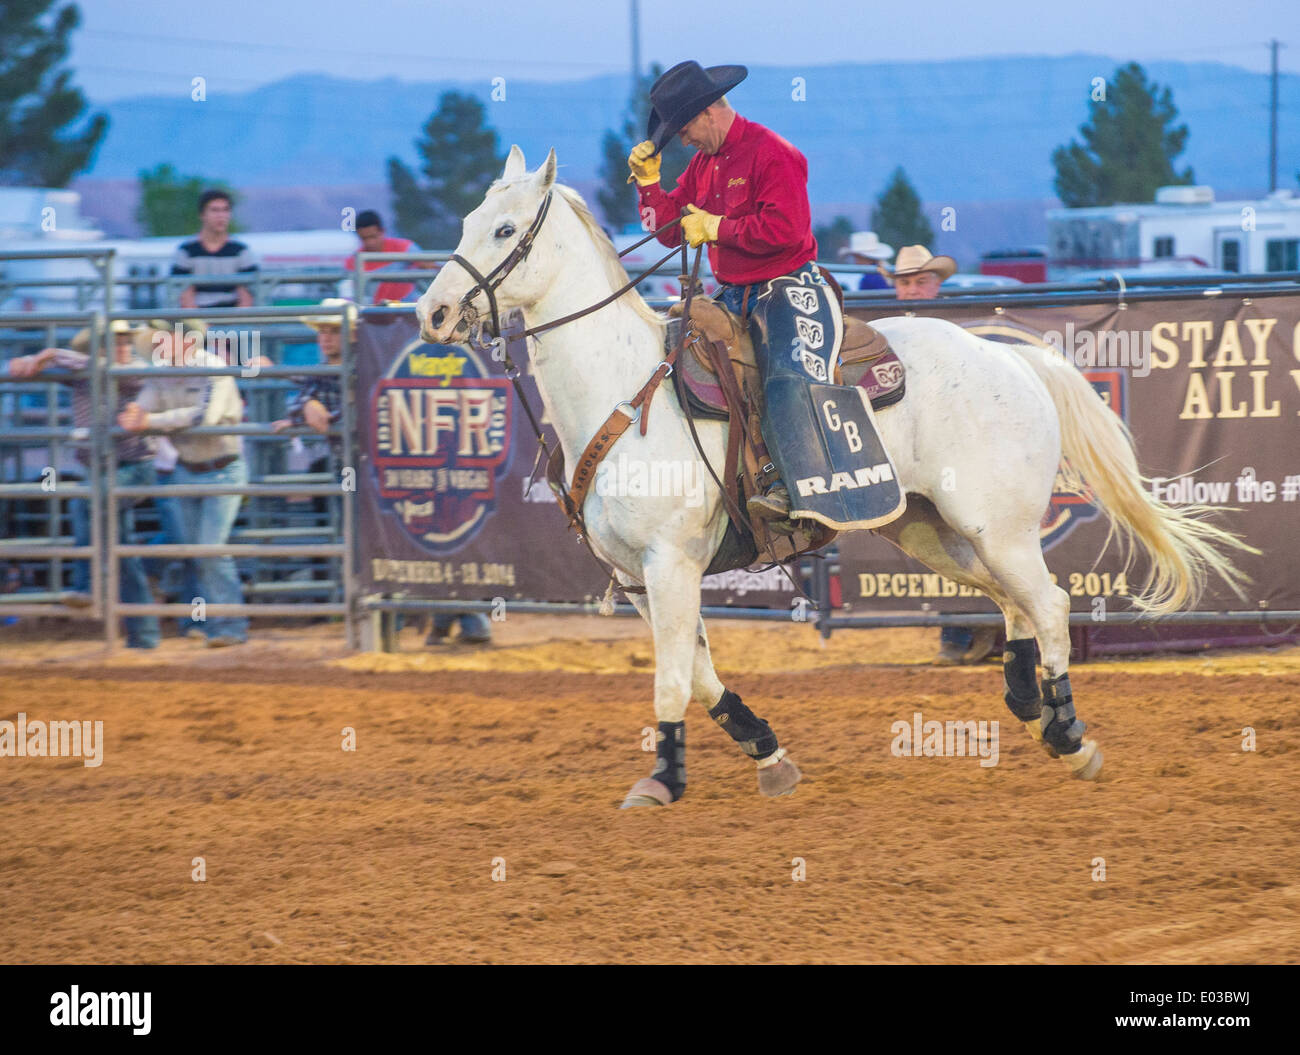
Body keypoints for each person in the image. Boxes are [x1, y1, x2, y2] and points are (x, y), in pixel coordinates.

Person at [628, 60, 823, 530]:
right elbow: (668, 233)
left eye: (686, 130)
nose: (685, 141)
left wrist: (717, 227)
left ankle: (796, 485)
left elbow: (786, 230)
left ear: (710, 113)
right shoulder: (703, 164)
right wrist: (651, 186)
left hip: (787, 286)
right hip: (733, 292)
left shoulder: (773, 153)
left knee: (784, 376)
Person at [6, 321, 161, 648]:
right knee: (124, 553)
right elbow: (58, 369)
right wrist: (31, 362)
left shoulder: (134, 370)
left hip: (135, 465)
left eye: (125, 339)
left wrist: (48, 354)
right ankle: (144, 635)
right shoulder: (84, 371)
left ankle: (86, 584)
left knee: (83, 503)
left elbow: (107, 370)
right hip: (102, 469)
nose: (122, 345)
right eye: (114, 340)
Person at [888, 244, 995, 664]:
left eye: (920, 282)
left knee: (967, 527)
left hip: (955, 445)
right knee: (941, 535)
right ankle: (964, 626)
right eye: (905, 283)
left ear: (937, 285)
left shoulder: (951, 332)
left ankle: (975, 626)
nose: (912, 291)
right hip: (915, 451)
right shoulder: (884, 332)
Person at [118, 320, 250, 647]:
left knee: (207, 549)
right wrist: (136, 414)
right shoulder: (162, 371)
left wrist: (148, 421)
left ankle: (228, 627)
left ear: (187, 341)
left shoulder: (214, 368)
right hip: (188, 467)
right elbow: (143, 408)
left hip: (222, 467)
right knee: (193, 550)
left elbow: (205, 419)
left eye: (166, 338)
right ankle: (206, 623)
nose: (159, 344)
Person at [172, 190, 259, 309]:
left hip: (235, 322)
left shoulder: (241, 251)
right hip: (196, 320)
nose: (221, 216)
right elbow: (184, 296)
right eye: (214, 210)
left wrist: (232, 323)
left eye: (225, 210)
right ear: (202, 215)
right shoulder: (187, 251)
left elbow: (247, 296)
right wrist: (202, 325)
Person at [352, 210, 426, 304]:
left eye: (373, 237)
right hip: (373, 313)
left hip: (407, 309)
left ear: (382, 231)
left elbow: (429, 265)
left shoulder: (404, 247)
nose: (370, 242)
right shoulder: (354, 261)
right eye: (364, 238)